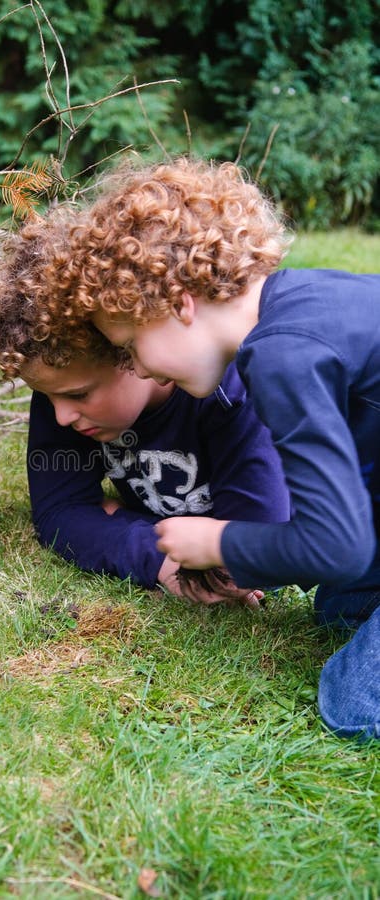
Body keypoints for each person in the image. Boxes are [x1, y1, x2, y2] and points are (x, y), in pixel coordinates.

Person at [26, 156, 380, 741]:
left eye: (130, 344)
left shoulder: (280, 358)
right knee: (338, 610)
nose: (134, 364)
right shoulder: (305, 303)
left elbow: (336, 547)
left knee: (353, 705)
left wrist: (213, 539)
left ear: (177, 304)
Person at [0, 219, 290, 607]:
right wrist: (158, 558)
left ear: (129, 349)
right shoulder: (63, 391)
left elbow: (255, 545)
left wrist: (115, 519)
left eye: (80, 395)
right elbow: (59, 514)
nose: (62, 418)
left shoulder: (230, 392)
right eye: (48, 397)